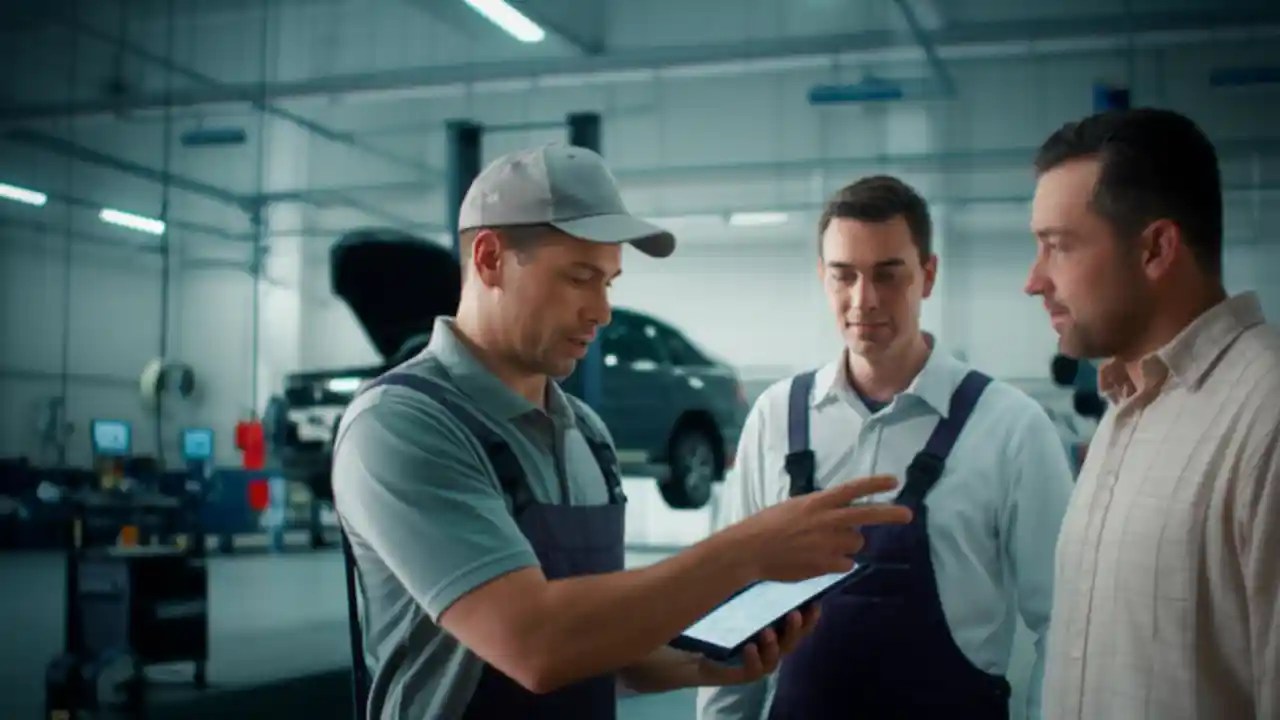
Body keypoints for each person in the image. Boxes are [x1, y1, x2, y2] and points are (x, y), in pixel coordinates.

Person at [331, 144, 914, 720]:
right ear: (488, 259)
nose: (602, 311)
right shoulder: (402, 425)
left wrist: (704, 665)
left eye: (608, 282)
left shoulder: (587, 435)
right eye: (580, 277)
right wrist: (751, 551)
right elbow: (535, 642)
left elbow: (602, 642)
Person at [697, 176, 1076, 720]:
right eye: (843, 275)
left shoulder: (1012, 428)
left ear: (928, 275)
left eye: (888, 275)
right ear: (823, 278)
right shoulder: (777, 418)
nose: (864, 300)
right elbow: (734, 602)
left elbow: (1063, 624)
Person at [1026, 108, 1279, 719]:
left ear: (1157, 250)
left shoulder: (1265, 415)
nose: (1034, 281)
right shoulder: (1126, 408)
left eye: (1058, 247)